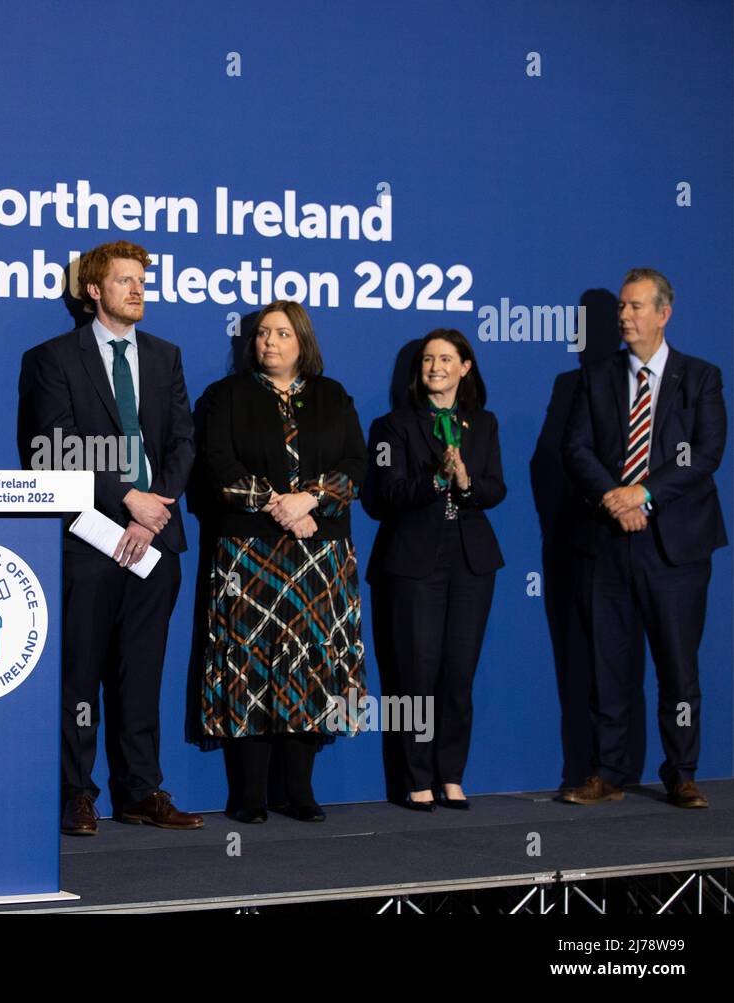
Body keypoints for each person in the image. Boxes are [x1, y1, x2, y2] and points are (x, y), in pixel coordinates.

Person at [18, 239, 201, 835]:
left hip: (157, 541)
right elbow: (51, 446)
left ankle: (141, 790)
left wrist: (156, 511)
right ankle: (78, 793)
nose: (138, 289)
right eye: (125, 280)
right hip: (86, 539)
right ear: (94, 290)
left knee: (141, 672)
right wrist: (128, 499)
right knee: (80, 673)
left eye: (142, 280)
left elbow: (181, 440)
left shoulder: (166, 355)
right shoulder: (52, 358)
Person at [561, 268, 727, 809]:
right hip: (609, 543)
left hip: (676, 548)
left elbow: (705, 456)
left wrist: (644, 495)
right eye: (621, 309)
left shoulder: (700, 377)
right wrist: (617, 496)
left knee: (678, 666)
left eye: (636, 307)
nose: (626, 318)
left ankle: (681, 774)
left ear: (664, 313)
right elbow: (576, 450)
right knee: (609, 662)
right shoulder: (594, 377)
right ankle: (608, 772)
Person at [200, 301, 368, 823]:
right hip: (250, 551)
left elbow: (357, 465)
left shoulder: (332, 395)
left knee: (310, 664)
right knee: (249, 663)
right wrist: (282, 507)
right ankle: (248, 794)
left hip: (321, 554)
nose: (268, 342)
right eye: (262, 334)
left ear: (302, 343)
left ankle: (298, 790)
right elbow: (218, 466)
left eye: (281, 334)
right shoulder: (226, 396)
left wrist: (311, 499)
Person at [365, 329, 505, 811]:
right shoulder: (392, 427)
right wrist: (435, 478)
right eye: (427, 359)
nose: (435, 366)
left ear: (466, 366)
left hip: (472, 562)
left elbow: (495, 489)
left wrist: (466, 482)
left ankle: (452, 775)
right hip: (413, 563)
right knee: (415, 675)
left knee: (458, 675)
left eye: (446, 358)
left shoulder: (483, 424)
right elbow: (383, 497)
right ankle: (416, 777)